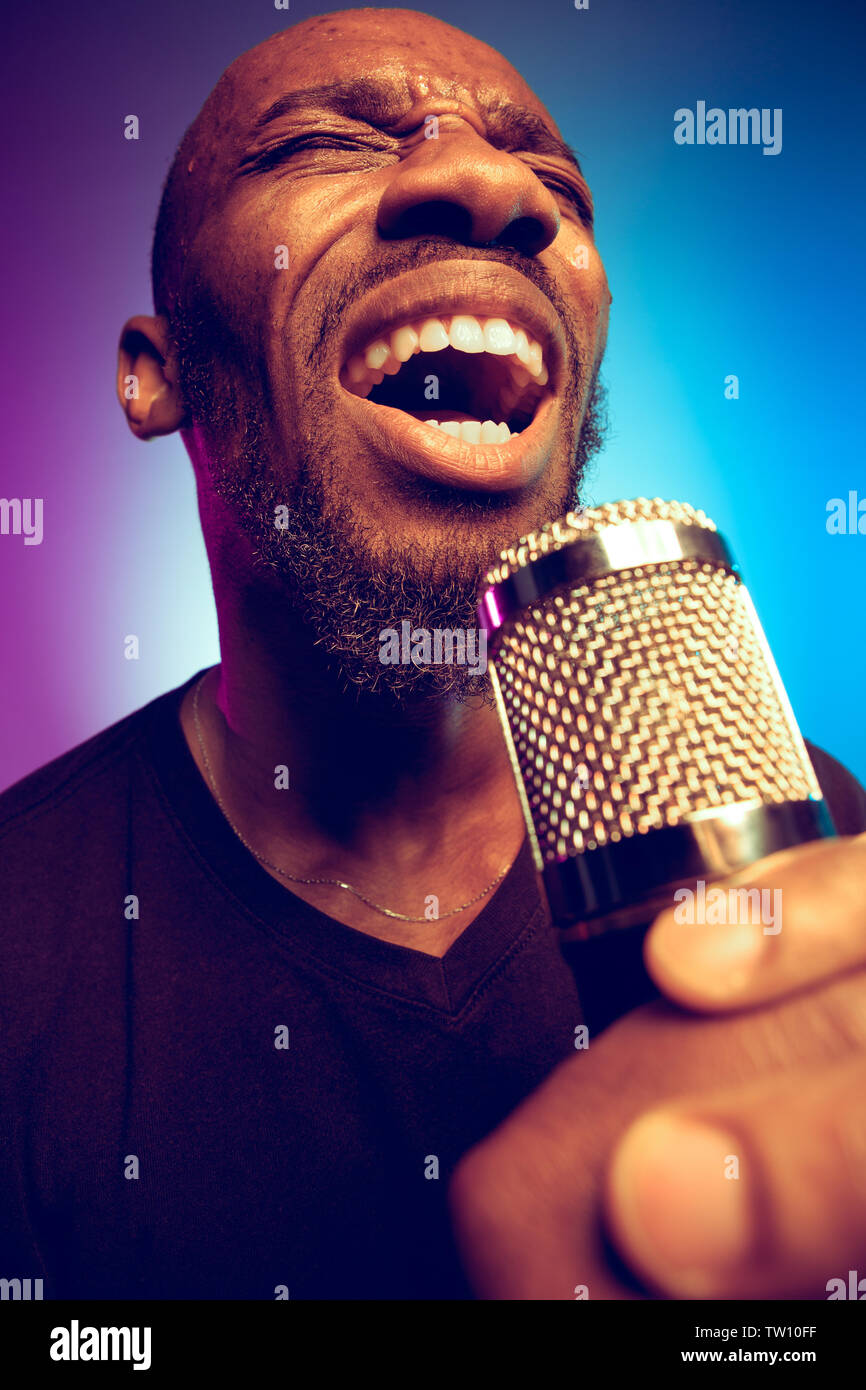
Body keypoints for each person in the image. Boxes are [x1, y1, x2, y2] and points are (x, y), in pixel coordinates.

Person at [1, 9, 864, 1301]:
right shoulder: (22, 938)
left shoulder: (813, 837)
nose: (489, 184)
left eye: (556, 185)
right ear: (155, 373)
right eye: (318, 143)